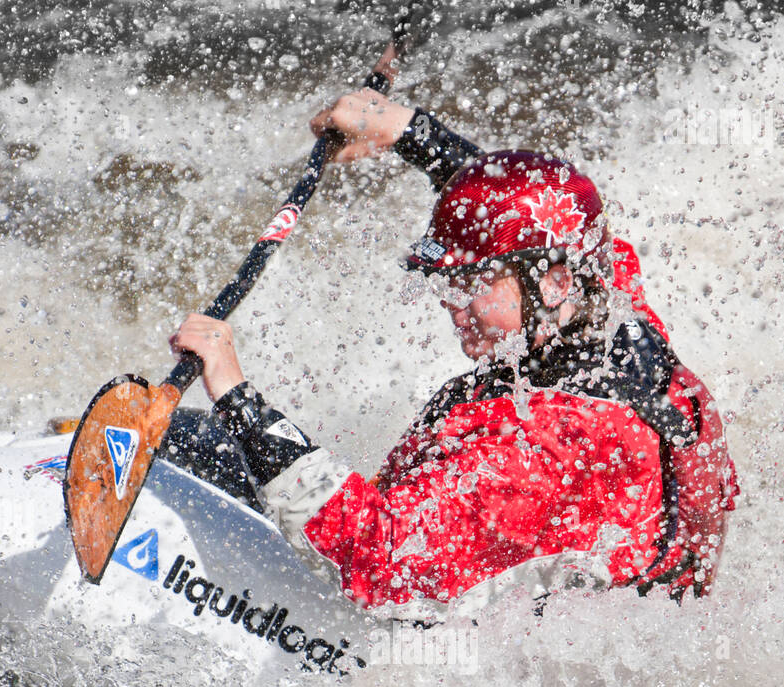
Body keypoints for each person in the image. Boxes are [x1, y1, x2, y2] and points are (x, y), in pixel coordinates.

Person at [164, 91, 738, 618]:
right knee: (204, 443)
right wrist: (412, 132)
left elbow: (380, 557)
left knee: (217, 442)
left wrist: (238, 397)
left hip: (437, 628)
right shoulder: (611, 313)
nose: (451, 303)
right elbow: (531, 215)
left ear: (556, 283)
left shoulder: (545, 450)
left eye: (471, 284)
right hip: (485, 574)